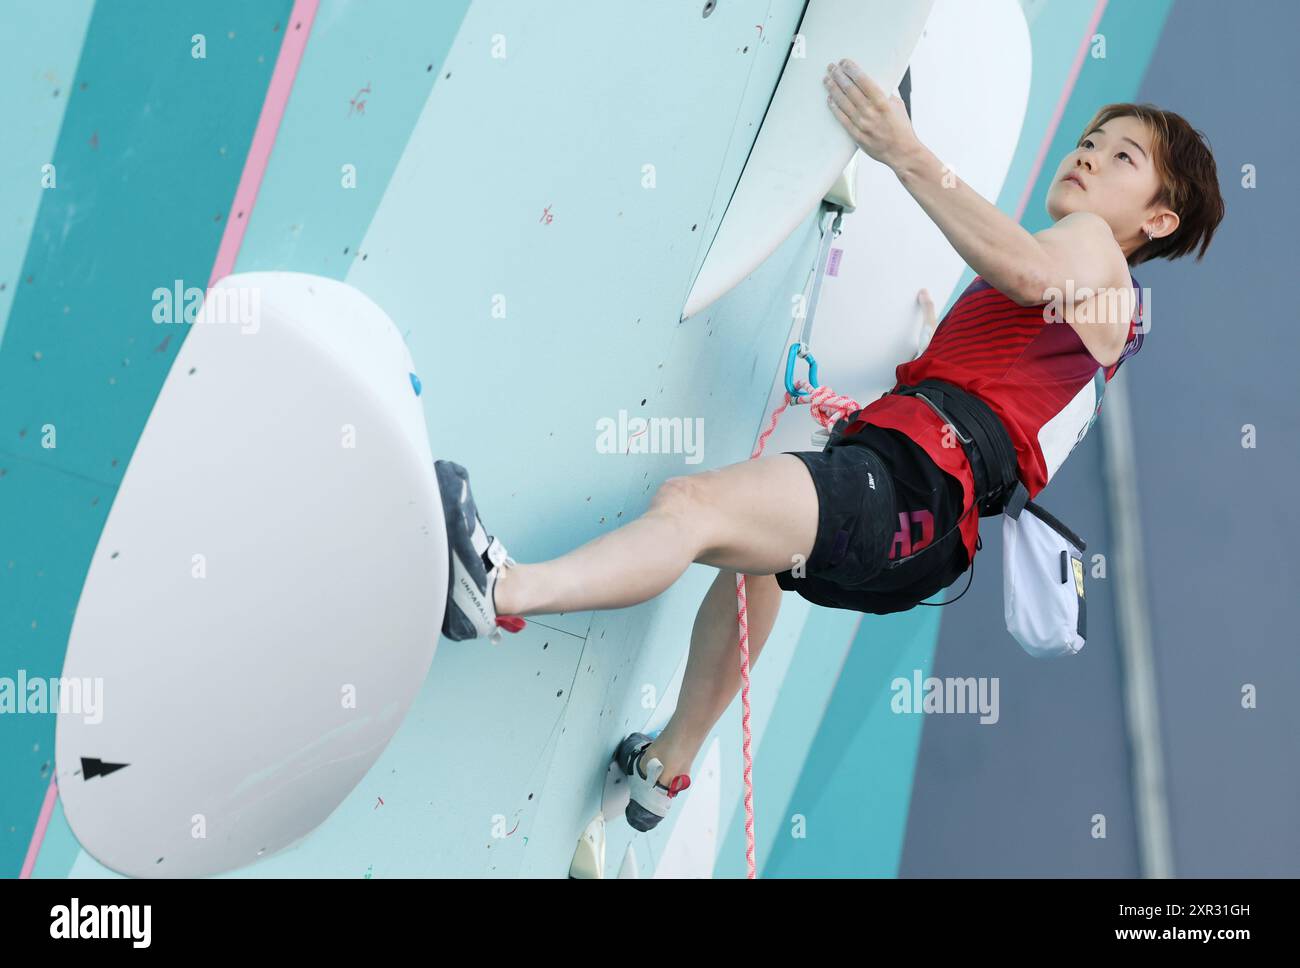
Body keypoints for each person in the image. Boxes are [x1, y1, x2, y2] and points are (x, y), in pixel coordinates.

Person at [437, 59, 1225, 831]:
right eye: (1090, 137)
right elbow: (1008, 400)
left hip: (912, 489)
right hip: (924, 534)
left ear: (1157, 221)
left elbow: (1024, 271)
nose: (1088, 151)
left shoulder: (1092, 250)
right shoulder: (1101, 339)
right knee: (758, 565)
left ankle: (501, 591)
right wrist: (925, 346)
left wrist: (901, 147)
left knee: (693, 507)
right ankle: (663, 771)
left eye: (1122, 155)